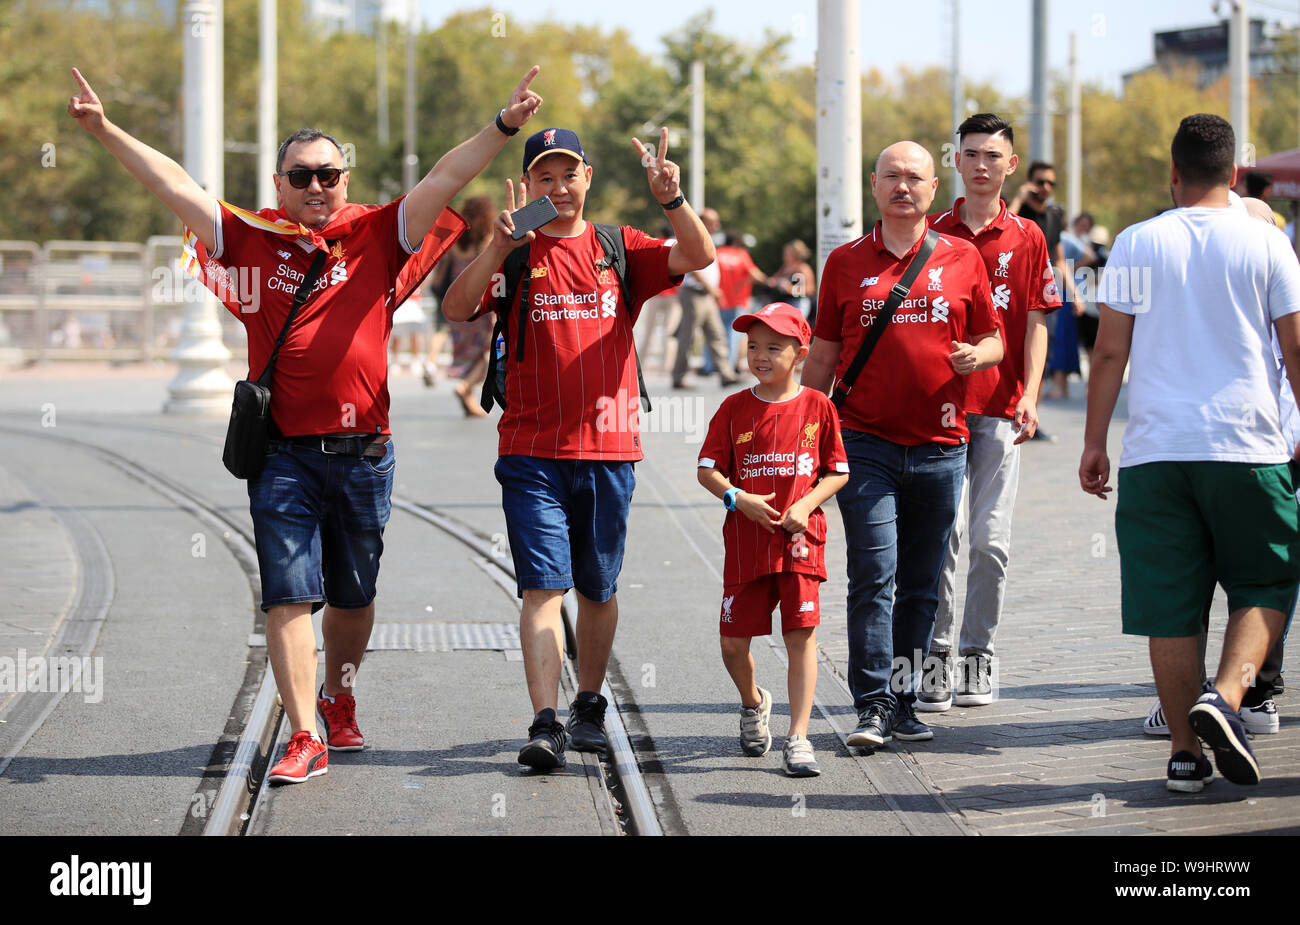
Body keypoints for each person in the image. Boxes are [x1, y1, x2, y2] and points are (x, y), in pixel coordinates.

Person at [68, 65, 545, 785]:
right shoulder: (248, 239)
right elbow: (173, 184)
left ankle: (339, 693)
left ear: (345, 180)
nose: (316, 187)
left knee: (353, 598)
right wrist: (104, 130)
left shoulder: (383, 233)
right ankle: (302, 731)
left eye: (329, 174)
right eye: (301, 176)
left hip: (365, 454)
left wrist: (503, 126)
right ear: (279, 185)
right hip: (284, 454)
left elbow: (447, 178)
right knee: (287, 593)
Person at [441, 126, 715, 770]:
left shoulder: (619, 247)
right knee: (541, 588)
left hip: (610, 447)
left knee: (597, 586)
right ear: (528, 185)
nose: (557, 189)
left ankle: (587, 703)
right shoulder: (516, 252)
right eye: (544, 178)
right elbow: (457, 307)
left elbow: (698, 257)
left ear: (587, 179)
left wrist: (673, 200)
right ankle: (543, 721)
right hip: (531, 450)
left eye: (569, 176)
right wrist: (498, 246)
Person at [1080, 114, 1300, 792]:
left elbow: (1110, 350)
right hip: (1248, 445)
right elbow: (1296, 350)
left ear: (1173, 173)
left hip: (1155, 452)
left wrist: (1094, 443)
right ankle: (1227, 697)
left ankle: (1183, 752)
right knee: (1266, 581)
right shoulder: (1267, 243)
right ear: (1234, 175)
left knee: (1171, 606)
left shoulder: (1136, 243)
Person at [802, 140, 1002, 748]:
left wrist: (977, 355)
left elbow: (994, 339)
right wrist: (801, 431)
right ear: (873, 185)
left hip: (942, 444)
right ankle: (872, 705)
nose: (903, 186)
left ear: (933, 190)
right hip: (864, 442)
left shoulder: (963, 258)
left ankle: (906, 702)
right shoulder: (843, 263)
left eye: (915, 177)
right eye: (891, 176)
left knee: (921, 582)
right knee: (873, 572)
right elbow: (824, 355)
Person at [922, 113, 1060, 712]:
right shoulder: (929, 232)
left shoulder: (1028, 236)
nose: (982, 165)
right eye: (971, 154)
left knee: (991, 541)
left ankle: (978, 651)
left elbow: (1035, 320)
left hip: (1002, 408)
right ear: (955, 161)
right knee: (941, 538)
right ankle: (936, 654)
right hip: (939, 410)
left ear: (1010, 164)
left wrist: (1030, 393)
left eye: (993, 155)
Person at [697, 302, 849, 777]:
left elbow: (837, 471)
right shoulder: (733, 408)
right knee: (731, 643)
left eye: (774, 347)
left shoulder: (819, 407)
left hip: (800, 543)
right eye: (754, 346)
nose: (761, 356)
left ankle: (799, 737)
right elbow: (707, 470)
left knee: (800, 636)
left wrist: (804, 505)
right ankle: (753, 701)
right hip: (745, 544)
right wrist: (735, 497)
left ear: (800, 353)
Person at [430, 194, 496, 417]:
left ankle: (468, 398)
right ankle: (465, 386)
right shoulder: (486, 242)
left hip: (460, 307)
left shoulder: (457, 242)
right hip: (481, 308)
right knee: (488, 354)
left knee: (473, 355)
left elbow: (441, 276)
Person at [672, 208, 739, 388]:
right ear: (702, 221)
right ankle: (678, 377)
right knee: (689, 336)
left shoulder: (709, 239)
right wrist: (712, 289)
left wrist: (714, 290)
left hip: (707, 295)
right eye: (713, 222)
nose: (717, 226)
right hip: (694, 294)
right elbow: (692, 268)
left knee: (716, 334)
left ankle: (726, 374)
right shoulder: (692, 236)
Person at [715, 231, 768, 371]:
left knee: (717, 333)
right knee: (734, 335)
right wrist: (768, 281)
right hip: (739, 300)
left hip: (719, 299)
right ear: (737, 242)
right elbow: (755, 274)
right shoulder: (741, 255)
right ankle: (730, 365)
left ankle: (712, 366)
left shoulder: (717, 253)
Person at [766, 240, 816, 322]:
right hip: (784, 302)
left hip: (798, 302)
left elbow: (810, 290)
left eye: (787, 253)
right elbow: (774, 279)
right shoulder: (784, 268)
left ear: (795, 255)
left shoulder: (803, 268)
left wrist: (790, 289)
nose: (784, 256)